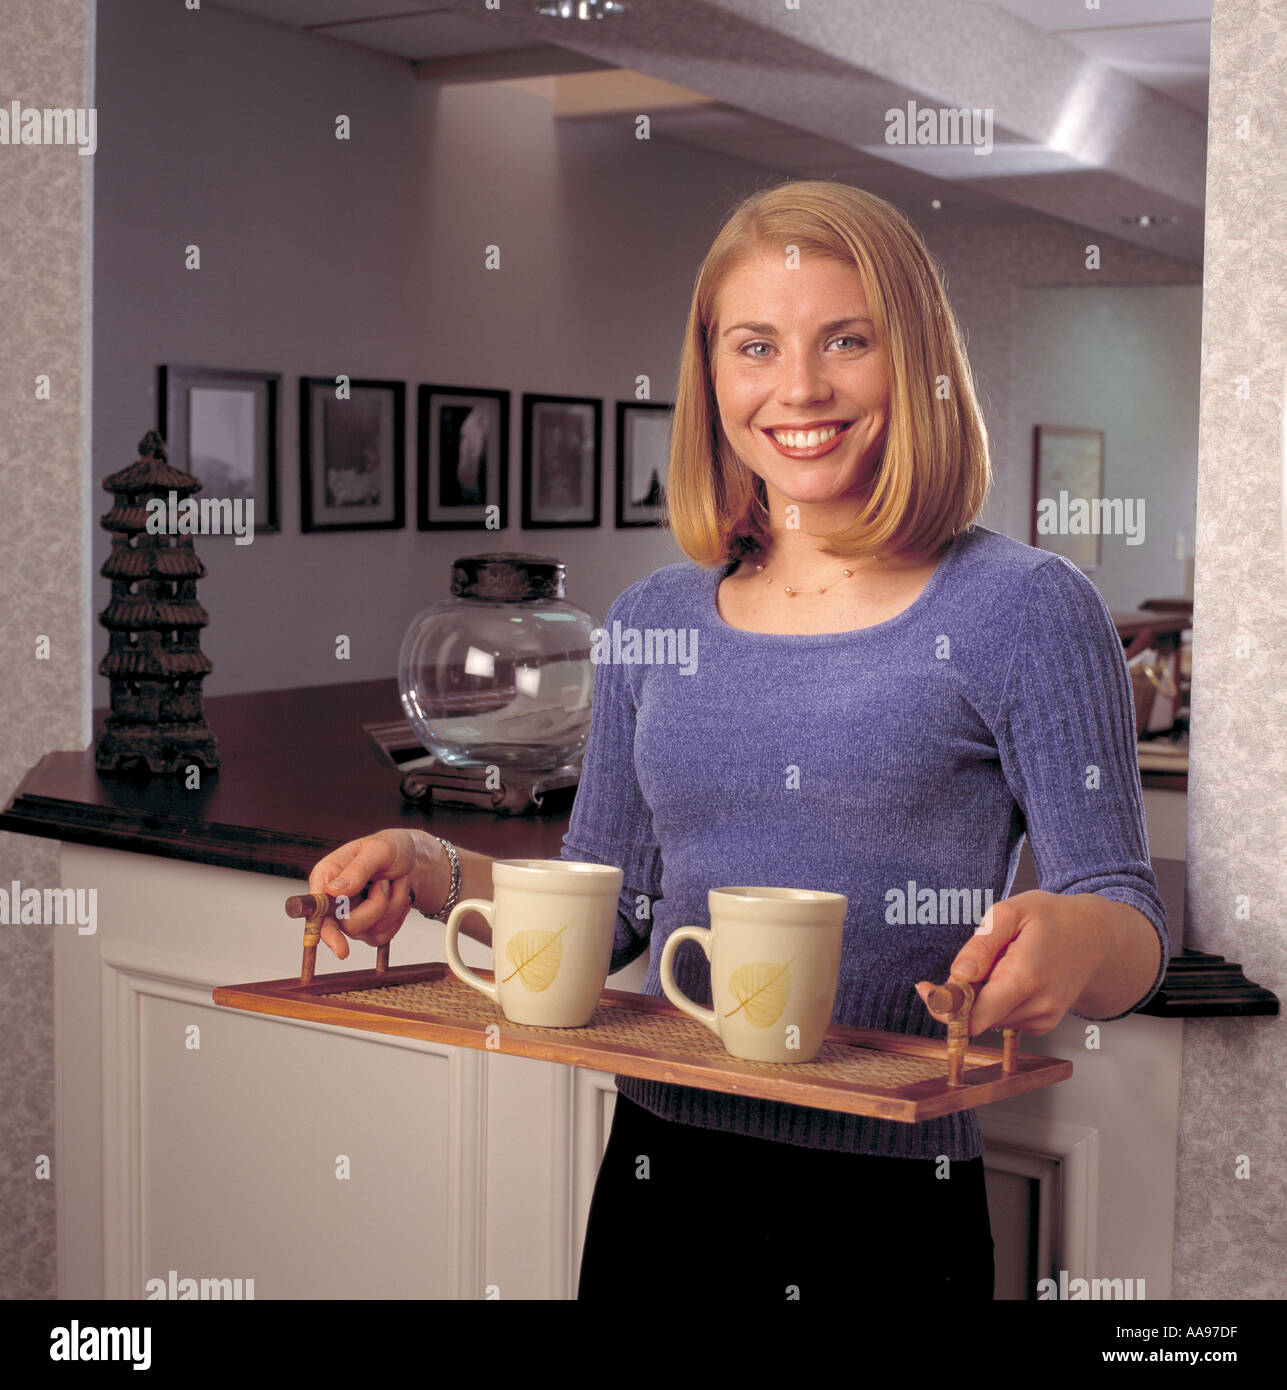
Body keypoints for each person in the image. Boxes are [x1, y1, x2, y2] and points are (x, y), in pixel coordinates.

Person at [306, 180, 1168, 1303]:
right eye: (755, 345)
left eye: (846, 341)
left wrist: (1073, 934)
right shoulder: (655, 618)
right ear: (711, 376)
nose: (799, 387)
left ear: (914, 361)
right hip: (660, 1178)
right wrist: (430, 870)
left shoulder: (1027, 607)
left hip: (888, 1205)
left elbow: (1129, 926)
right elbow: (600, 899)